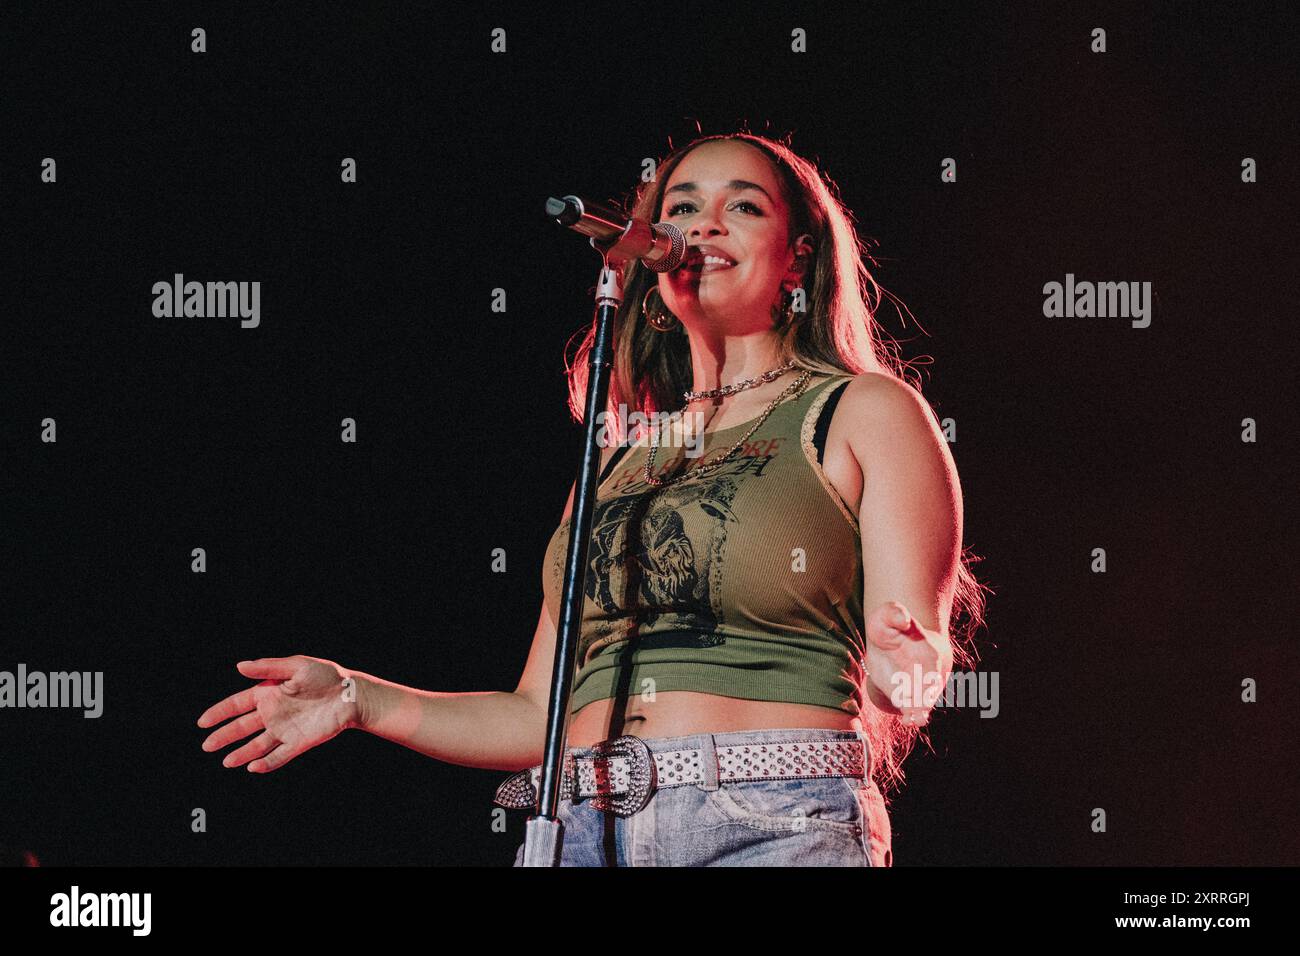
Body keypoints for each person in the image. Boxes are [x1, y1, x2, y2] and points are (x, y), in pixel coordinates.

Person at [197, 132, 987, 867]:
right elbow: (536, 713)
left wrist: (908, 662)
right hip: (581, 829)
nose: (702, 225)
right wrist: (356, 697)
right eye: (680, 208)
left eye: (742, 206)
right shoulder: (616, 455)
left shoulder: (862, 410)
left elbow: (909, 674)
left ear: (797, 258)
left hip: (771, 822)